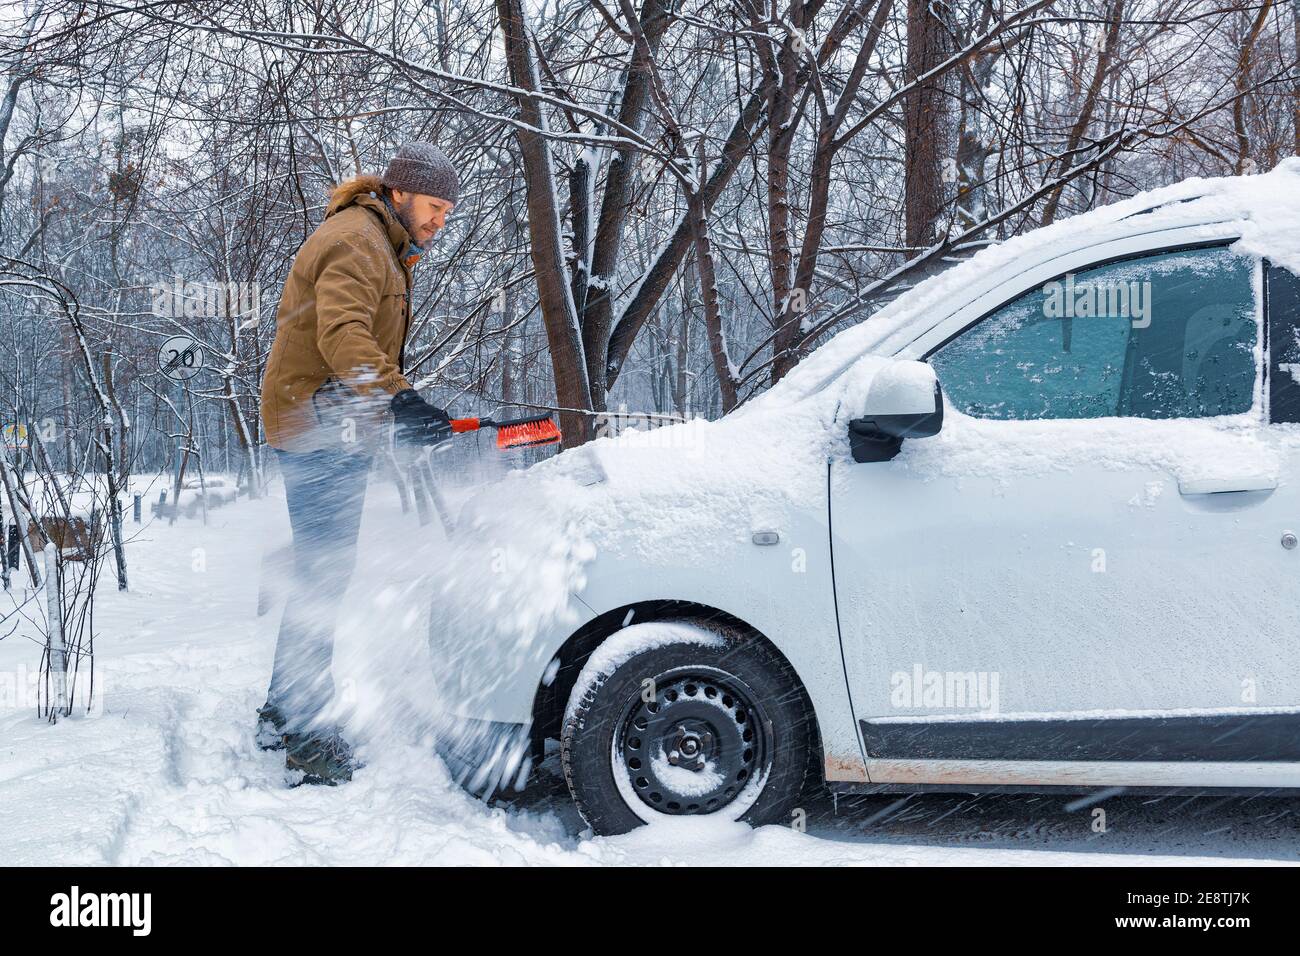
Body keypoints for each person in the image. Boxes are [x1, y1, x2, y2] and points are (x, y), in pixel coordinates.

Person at [256, 143, 460, 784]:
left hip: (330, 421)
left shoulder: (380, 241)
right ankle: (306, 737)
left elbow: (356, 340)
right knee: (322, 579)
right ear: (400, 193)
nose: (439, 222)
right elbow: (342, 331)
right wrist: (396, 398)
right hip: (316, 424)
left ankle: (283, 710)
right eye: (433, 207)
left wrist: (394, 409)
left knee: (322, 574)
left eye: (448, 212)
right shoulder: (358, 241)